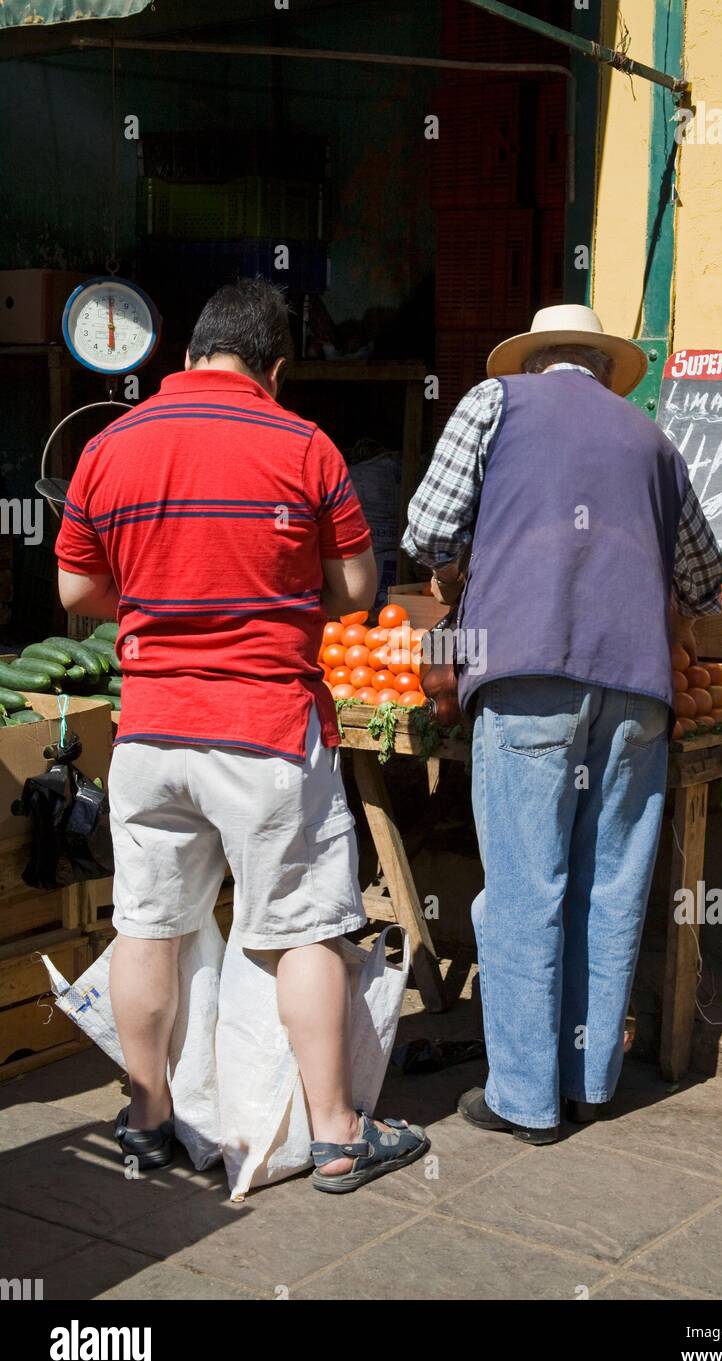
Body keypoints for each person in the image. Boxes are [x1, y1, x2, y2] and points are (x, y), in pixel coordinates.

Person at [55, 278, 427, 1192]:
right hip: (265, 727)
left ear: (185, 355)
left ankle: (144, 1122)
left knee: (148, 925)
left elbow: (75, 594)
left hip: (149, 731)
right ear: (276, 368)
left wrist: (155, 605)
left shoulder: (111, 443)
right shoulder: (304, 445)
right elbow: (352, 590)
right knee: (300, 930)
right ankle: (338, 1134)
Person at [403, 305, 722, 1143]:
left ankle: (523, 1098)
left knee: (524, 886)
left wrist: (466, 562)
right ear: (603, 369)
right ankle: (588, 1083)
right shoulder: (651, 440)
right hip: (638, 693)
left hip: (528, 675)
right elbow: (705, 581)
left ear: (535, 359)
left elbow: (428, 529)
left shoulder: (492, 402)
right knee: (609, 886)